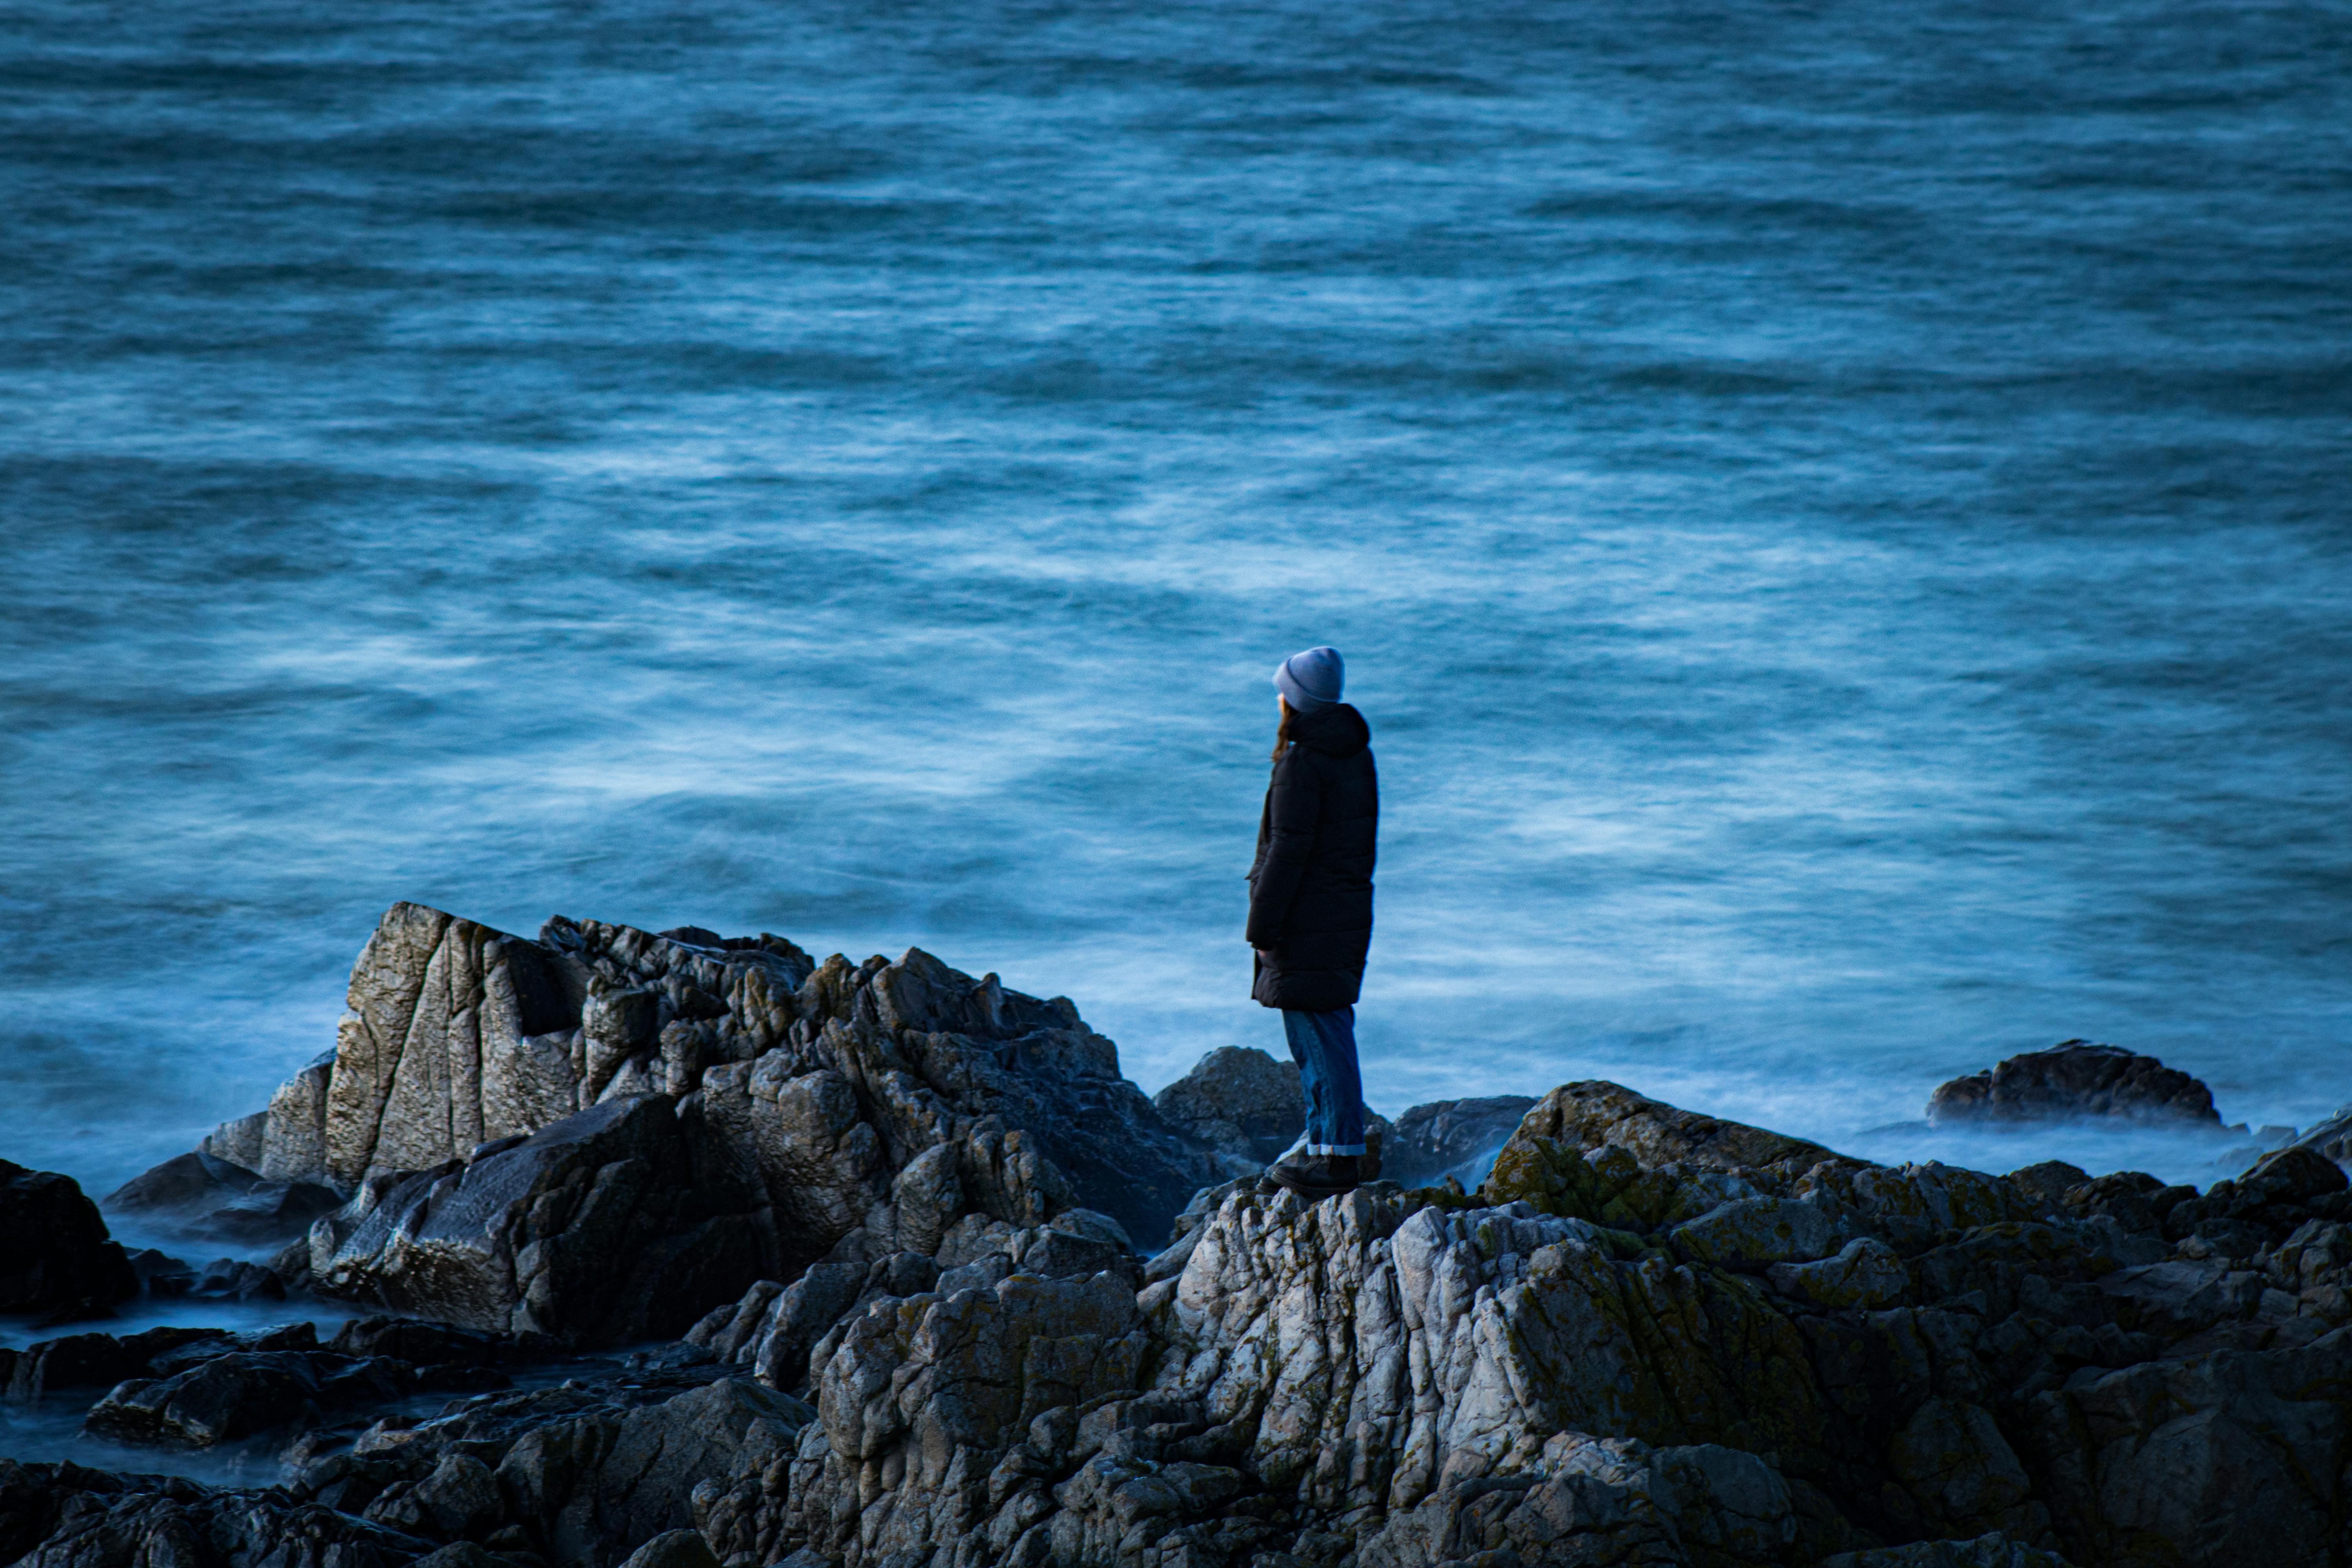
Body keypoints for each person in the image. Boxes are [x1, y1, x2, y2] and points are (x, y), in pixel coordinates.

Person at [1247, 646, 1378, 1196]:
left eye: (1282, 691)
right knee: (1327, 1027)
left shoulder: (1302, 764)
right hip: (1342, 912)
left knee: (1318, 1035)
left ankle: (1337, 1159)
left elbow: (1287, 852)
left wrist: (1262, 927)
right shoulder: (1353, 754)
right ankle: (1327, 1143)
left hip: (1306, 918)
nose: (1277, 699)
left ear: (1295, 701)